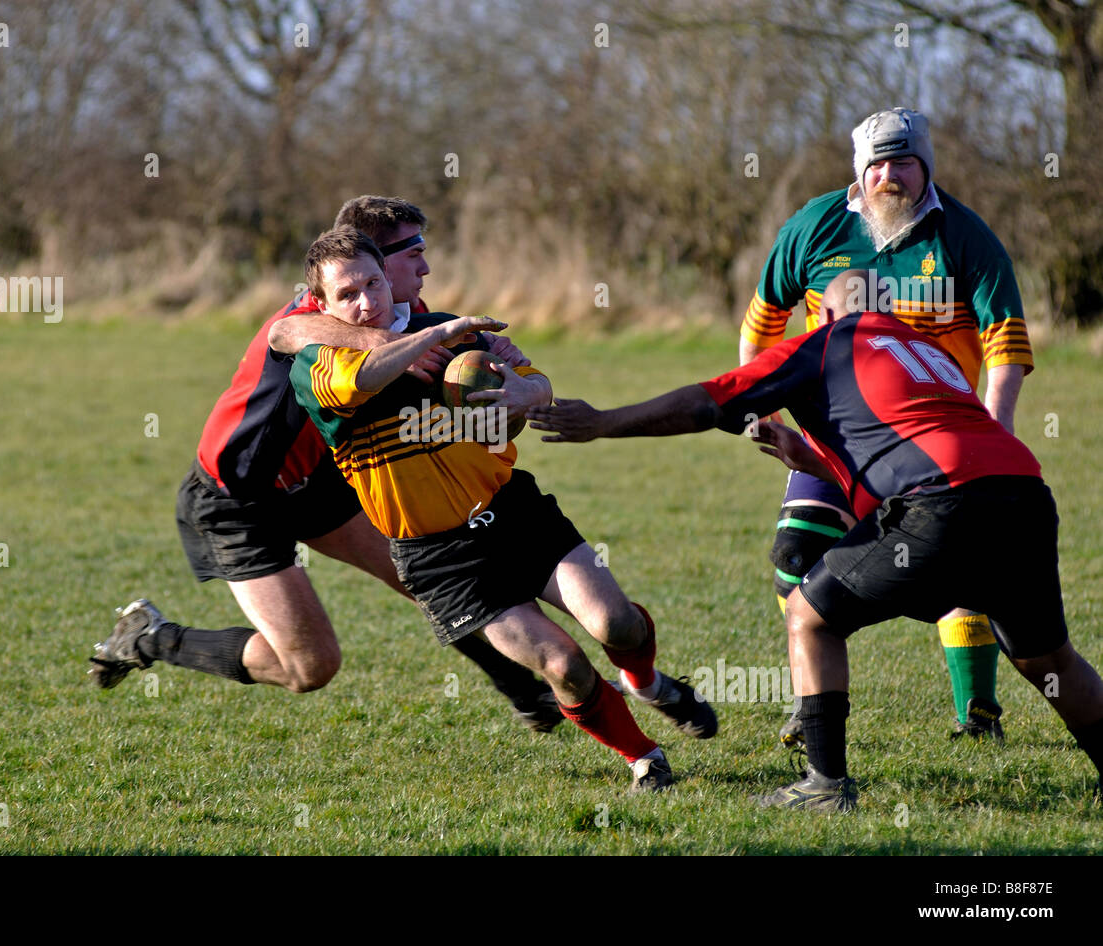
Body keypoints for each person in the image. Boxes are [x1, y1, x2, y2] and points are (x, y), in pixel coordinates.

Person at [529, 269, 1103, 810]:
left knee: (809, 613)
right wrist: (817, 461)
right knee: (1049, 657)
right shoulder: (932, 356)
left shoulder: (830, 340)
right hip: (1023, 493)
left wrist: (603, 422)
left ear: (824, 312)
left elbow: (710, 400)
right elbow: (910, 446)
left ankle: (826, 784)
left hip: (941, 500)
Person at [88, 196, 562, 733]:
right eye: (414, 253)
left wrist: (508, 374)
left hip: (317, 484)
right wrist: (381, 339)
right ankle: (149, 637)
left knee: (428, 579)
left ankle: (525, 689)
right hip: (236, 500)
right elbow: (282, 334)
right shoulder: (316, 318)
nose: (425, 267)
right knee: (310, 668)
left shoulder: (406, 322)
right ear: (376, 263)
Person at [283, 226, 717, 793]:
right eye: (347, 294)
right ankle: (645, 759)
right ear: (322, 304)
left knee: (619, 624)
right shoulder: (317, 363)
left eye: (373, 283)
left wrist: (525, 394)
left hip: (513, 512)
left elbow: (538, 382)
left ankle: (646, 680)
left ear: (387, 280)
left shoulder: (461, 337)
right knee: (563, 667)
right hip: (439, 556)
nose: (366, 301)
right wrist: (434, 336)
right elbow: (362, 377)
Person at [739, 108, 1034, 743]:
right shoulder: (814, 226)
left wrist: (996, 430)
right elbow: (760, 324)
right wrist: (762, 410)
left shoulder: (964, 236)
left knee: (960, 573)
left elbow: (1005, 349)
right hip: (838, 440)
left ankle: (977, 714)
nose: (887, 175)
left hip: (938, 442)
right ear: (859, 171)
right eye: (875, 163)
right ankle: (808, 697)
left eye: (902, 161)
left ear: (925, 165)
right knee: (795, 555)